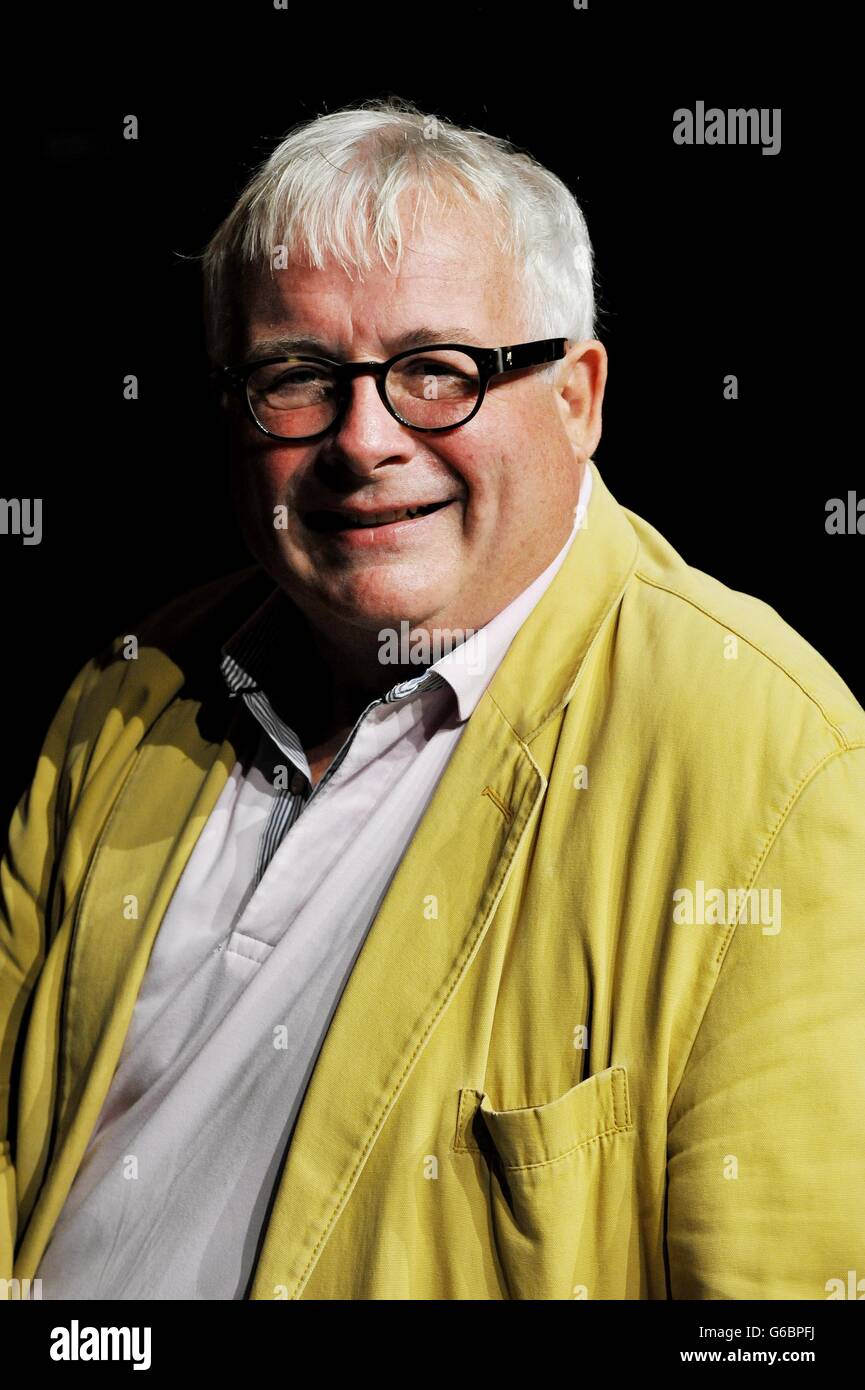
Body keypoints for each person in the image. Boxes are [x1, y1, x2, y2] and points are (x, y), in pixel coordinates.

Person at [2, 98, 863, 1302]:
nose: (364, 440)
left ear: (578, 395)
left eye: (435, 373)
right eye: (296, 377)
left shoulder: (770, 756)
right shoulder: (129, 694)